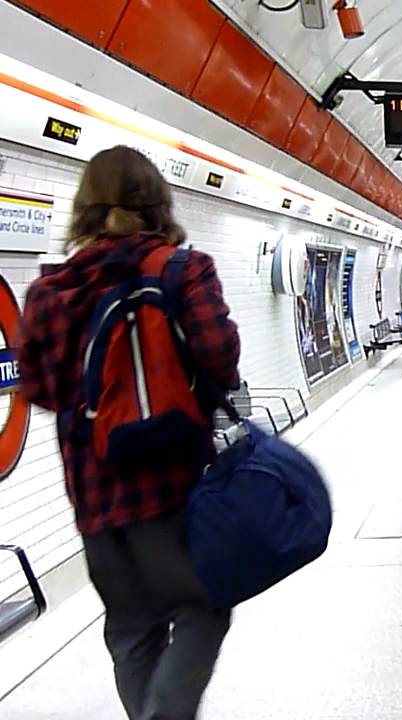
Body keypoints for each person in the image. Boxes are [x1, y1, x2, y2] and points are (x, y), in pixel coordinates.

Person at [18, 146, 241, 720]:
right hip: (173, 489)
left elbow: (39, 390)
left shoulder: (48, 293)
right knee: (204, 606)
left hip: (96, 501)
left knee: (132, 632)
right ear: (158, 203)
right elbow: (219, 356)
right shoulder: (181, 268)